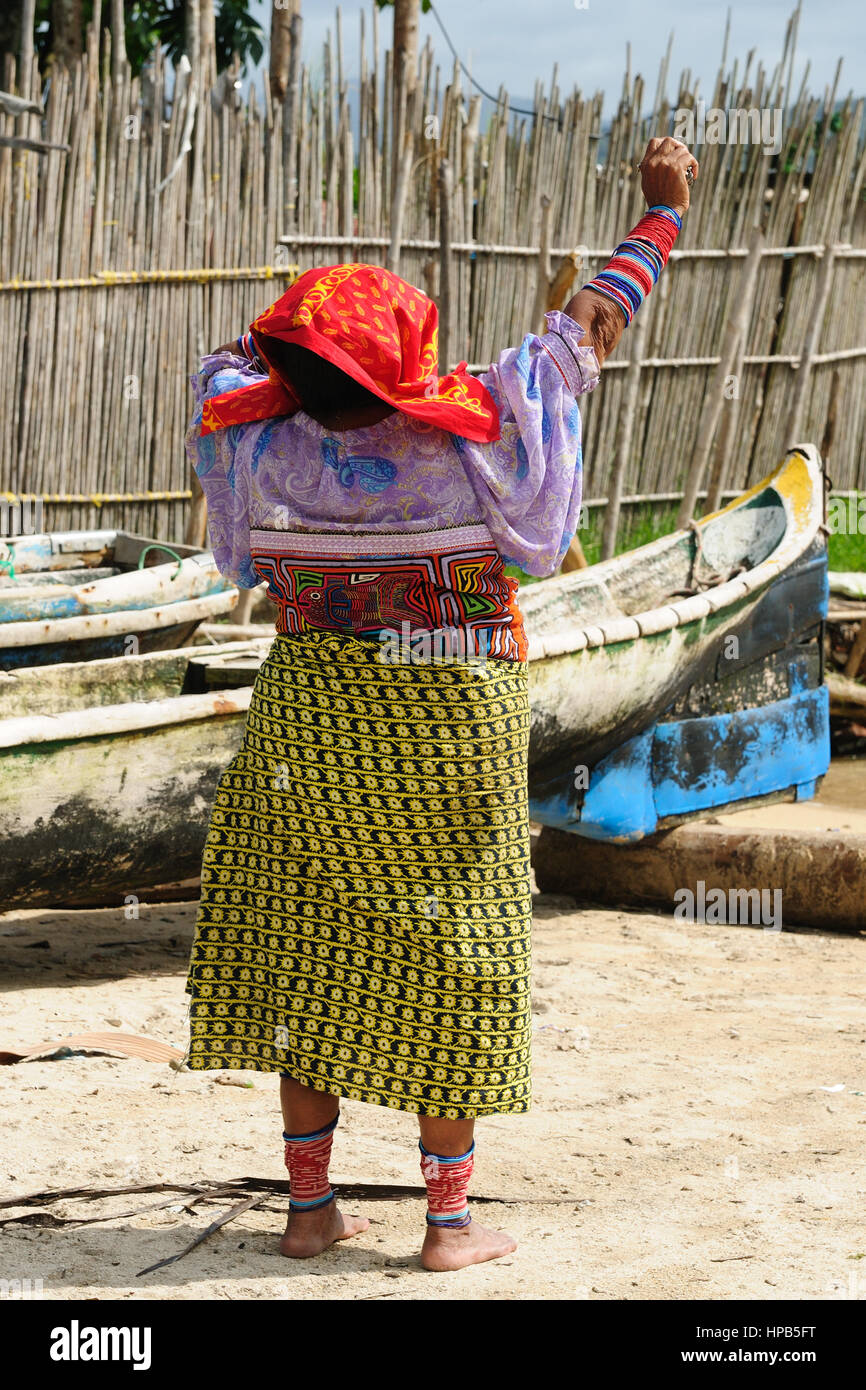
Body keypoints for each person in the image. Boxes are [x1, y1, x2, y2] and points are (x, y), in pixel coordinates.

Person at [184, 136, 698, 1271]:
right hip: (450, 717)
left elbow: (222, 366)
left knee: (314, 944)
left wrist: (288, 356)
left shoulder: (258, 444)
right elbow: (590, 326)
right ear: (404, 363)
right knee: (453, 946)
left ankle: (310, 1210)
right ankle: (448, 1229)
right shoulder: (479, 435)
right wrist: (657, 216)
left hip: (310, 716)